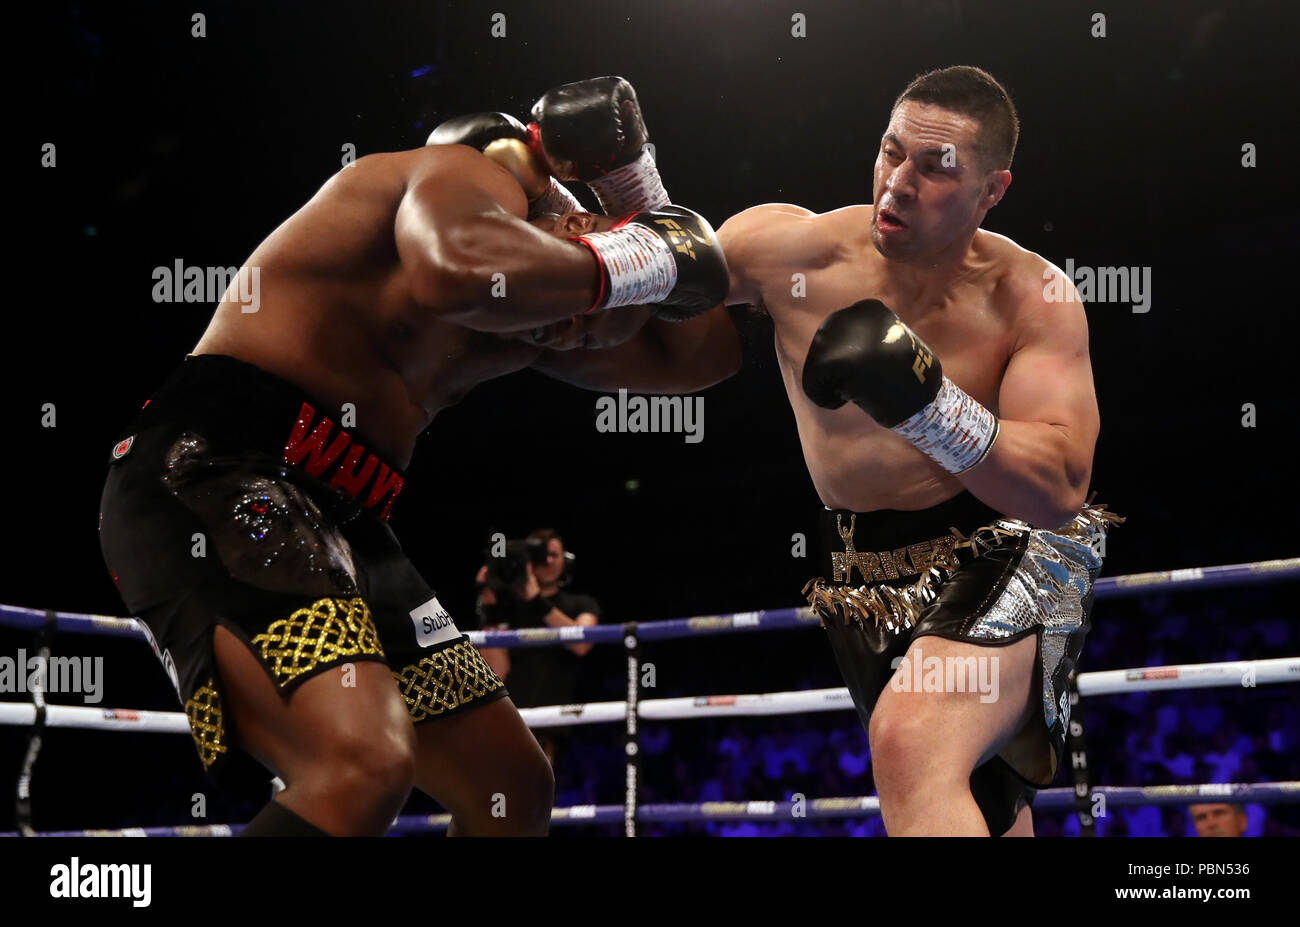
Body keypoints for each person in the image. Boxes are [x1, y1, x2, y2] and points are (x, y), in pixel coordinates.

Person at [98, 76, 740, 836]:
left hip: (342, 517)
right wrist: (633, 258)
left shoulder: (521, 328)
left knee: (510, 785)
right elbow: (457, 266)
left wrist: (640, 195)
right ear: (553, 210)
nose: (583, 321)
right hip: (212, 473)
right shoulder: (474, 171)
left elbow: (702, 355)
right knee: (361, 766)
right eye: (595, 262)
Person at [717, 65, 1120, 836]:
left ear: (992, 190)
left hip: (1012, 544)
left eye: (936, 168)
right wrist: (622, 192)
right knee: (987, 811)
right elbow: (665, 308)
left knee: (911, 744)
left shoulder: (1033, 296)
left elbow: (1061, 484)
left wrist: (926, 405)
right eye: (890, 152)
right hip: (864, 573)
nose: (898, 183)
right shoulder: (791, 252)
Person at [477, 529, 601, 766]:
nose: (549, 561)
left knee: (543, 798)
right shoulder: (509, 609)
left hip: (553, 725)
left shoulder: (581, 604)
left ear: (566, 560)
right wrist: (490, 606)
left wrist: (536, 600)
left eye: (554, 555)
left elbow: (581, 643)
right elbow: (496, 671)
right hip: (511, 721)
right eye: (542, 555)